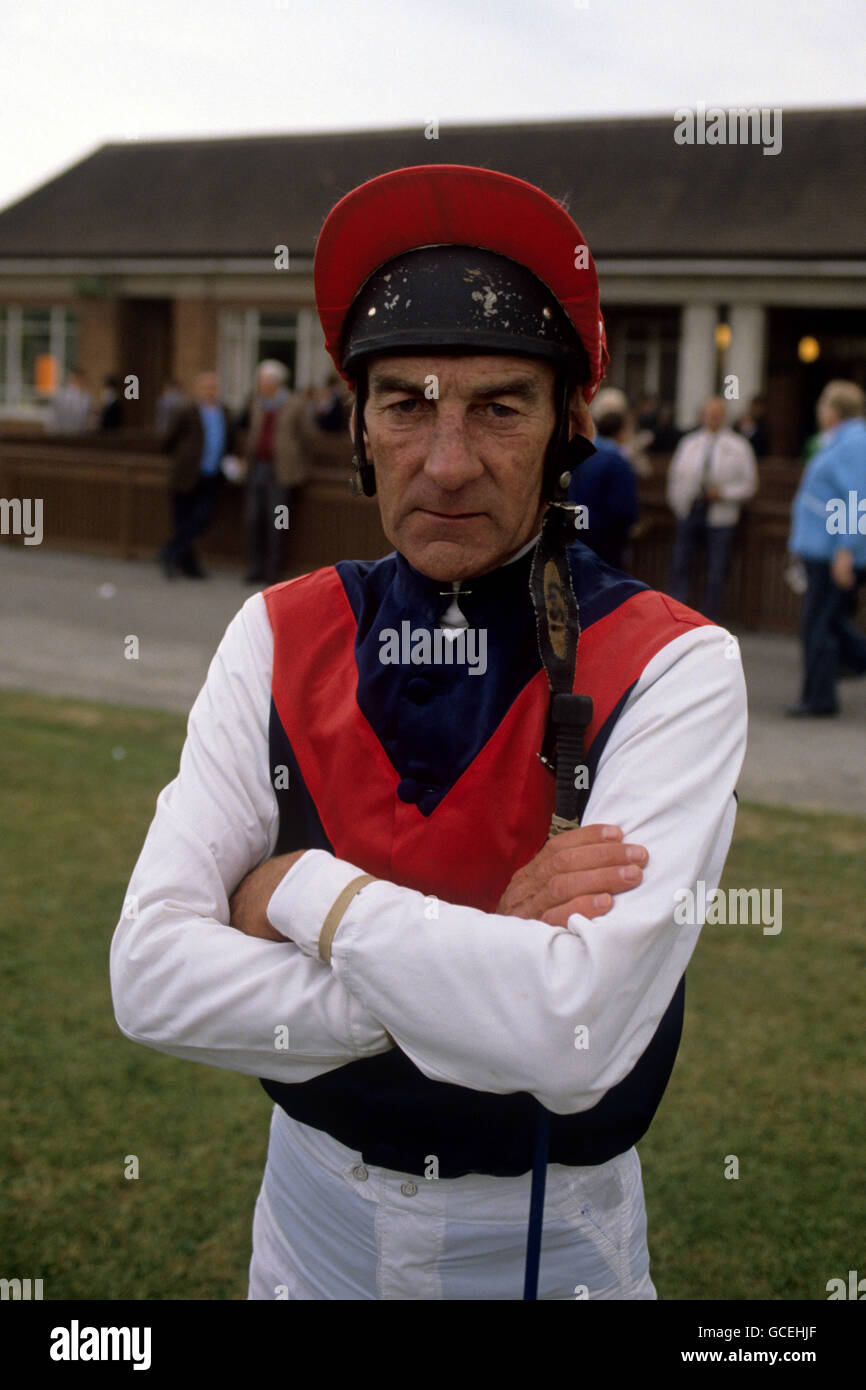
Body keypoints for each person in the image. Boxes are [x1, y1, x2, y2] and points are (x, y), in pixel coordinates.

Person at [110, 164, 747, 1301]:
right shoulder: (273, 630)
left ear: (566, 430)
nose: (445, 461)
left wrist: (300, 892)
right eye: (404, 402)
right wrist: (468, 958)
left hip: (552, 1246)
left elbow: (570, 1035)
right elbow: (149, 978)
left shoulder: (676, 663)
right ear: (356, 422)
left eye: (498, 406)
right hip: (304, 1218)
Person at [786, 379, 866, 717]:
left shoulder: (852, 443)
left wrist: (846, 551)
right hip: (825, 549)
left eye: (823, 404)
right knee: (826, 623)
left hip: (832, 552)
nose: (819, 411)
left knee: (819, 625)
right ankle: (820, 695)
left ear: (835, 411)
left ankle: (819, 699)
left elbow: (856, 498)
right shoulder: (842, 441)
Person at [666, 396, 758, 621]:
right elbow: (675, 479)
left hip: (721, 515)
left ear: (725, 416)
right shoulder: (690, 443)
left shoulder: (739, 445)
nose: (713, 418)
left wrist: (724, 493)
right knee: (680, 565)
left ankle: (709, 620)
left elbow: (750, 484)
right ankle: (675, 618)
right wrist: (679, 505)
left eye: (718, 414)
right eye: (709, 414)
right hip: (690, 511)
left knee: (717, 572)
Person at [158, 370, 234, 579]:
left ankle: (169, 551)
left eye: (213, 388)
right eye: (206, 387)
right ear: (198, 390)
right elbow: (168, 440)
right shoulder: (186, 412)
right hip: (186, 474)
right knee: (183, 519)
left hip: (212, 475)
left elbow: (231, 441)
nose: (210, 392)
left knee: (202, 518)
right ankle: (187, 565)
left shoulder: (224, 412)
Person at [567, 386, 639, 568]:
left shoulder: (578, 451)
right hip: (605, 542)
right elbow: (624, 510)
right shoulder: (616, 459)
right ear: (622, 429)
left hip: (574, 533)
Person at [242, 360, 293, 585]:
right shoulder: (257, 404)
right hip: (257, 469)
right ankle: (255, 566)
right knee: (254, 518)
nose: (258, 385)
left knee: (278, 522)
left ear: (273, 383)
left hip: (280, 472)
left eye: (261, 381)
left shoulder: (294, 404)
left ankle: (274, 569)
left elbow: (307, 437)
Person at [49, 367, 93, 434]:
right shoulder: (62, 395)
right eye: (79, 378)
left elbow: (87, 418)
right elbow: (55, 417)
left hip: (79, 434)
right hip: (61, 433)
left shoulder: (86, 397)